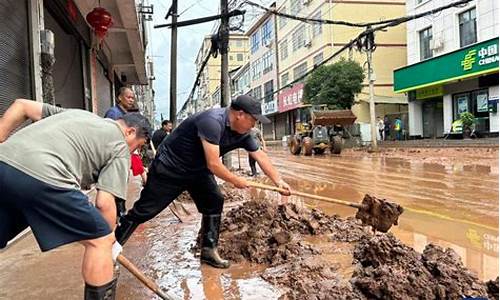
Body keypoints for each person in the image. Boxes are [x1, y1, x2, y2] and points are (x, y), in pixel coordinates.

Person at [115, 95, 291, 269]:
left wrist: (278, 181)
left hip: (197, 170)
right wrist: (235, 180)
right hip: (171, 168)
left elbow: (260, 155)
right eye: (253, 120)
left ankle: (209, 251)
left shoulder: (244, 134)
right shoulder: (212, 121)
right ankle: (110, 246)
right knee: (145, 210)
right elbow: (214, 164)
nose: (255, 125)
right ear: (240, 114)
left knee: (214, 201)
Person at [0, 99, 152, 299]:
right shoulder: (120, 147)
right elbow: (104, 203)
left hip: (4, 163)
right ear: (130, 132)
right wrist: (109, 242)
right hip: (45, 176)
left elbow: (22, 105)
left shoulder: (79, 113)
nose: (133, 151)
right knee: (100, 242)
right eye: (137, 146)